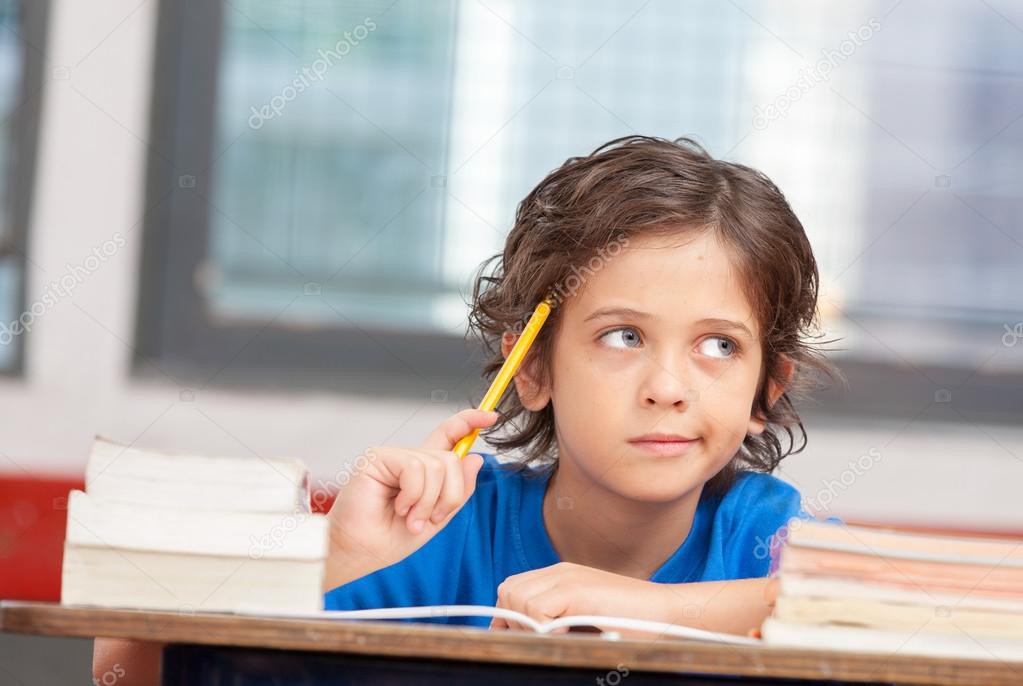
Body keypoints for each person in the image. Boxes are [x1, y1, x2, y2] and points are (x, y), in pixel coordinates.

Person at [94, 135, 840, 682]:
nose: (668, 386)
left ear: (763, 391)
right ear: (534, 369)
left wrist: (647, 610)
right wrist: (338, 563)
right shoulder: (436, 533)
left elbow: (869, 613)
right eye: (622, 335)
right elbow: (124, 667)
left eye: (718, 347)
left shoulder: (763, 536)